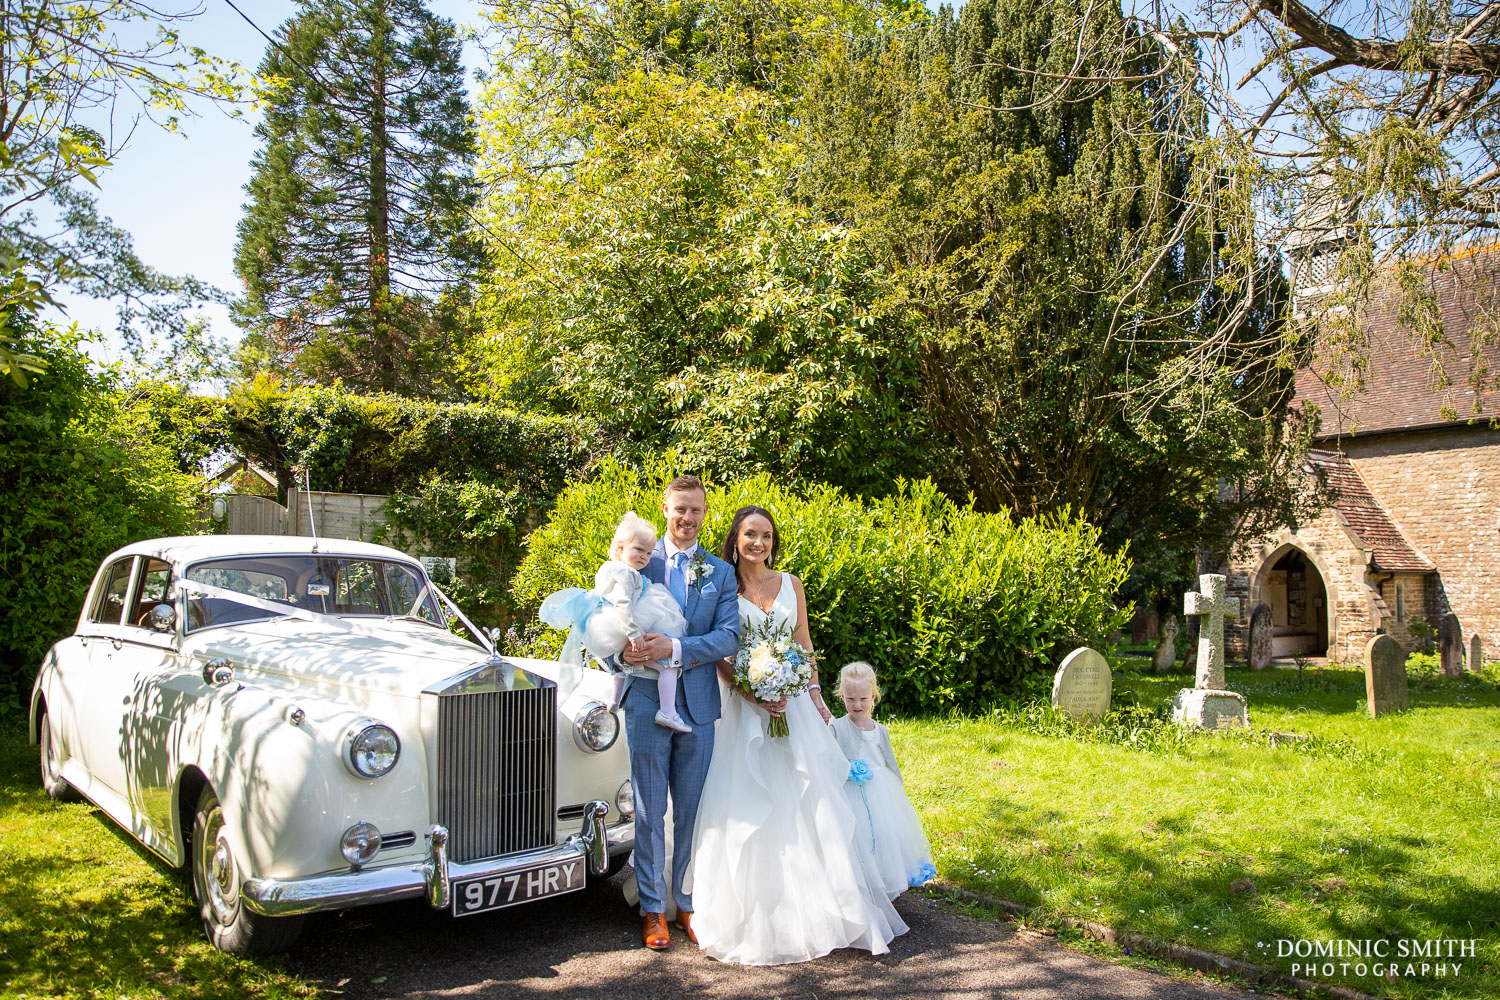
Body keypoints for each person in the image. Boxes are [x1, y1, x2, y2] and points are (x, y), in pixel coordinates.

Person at [687, 505, 908, 965]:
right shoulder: (724, 586)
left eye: (766, 536)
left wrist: (815, 697)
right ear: (736, 538)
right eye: (751, 535)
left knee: (814, 799)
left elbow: (803, 642)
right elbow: (720, 651)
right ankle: (766, 914)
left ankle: (834, 909)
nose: (759, 544)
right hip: (748, 714)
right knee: (755, 802)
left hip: (795, 710)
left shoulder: (792, 584)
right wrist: (748, 691)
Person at [617, 475, 740, 950]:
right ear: (665, 509)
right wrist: (619, 656)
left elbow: (728, 636)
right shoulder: (638, 559)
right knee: (649, 811)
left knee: (692, 810)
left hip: (700, 705)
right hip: (646, 701)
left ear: (705, 514)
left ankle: (686, 902)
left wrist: (676, 647)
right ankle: (653, 909)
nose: (687, 518)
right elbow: (609, 621)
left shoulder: (720, 573)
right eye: (679, 509)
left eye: (696, 511)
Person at [538, 512, 692, 731]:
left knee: (619, 668)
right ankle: (667, 712)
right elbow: (622, 603)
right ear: (620, 548)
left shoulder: (608, 568)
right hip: (624, 624)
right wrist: (633, 633)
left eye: (648, 552)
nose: (644, 557)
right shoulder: (626, 574)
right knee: (667, 665)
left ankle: (614, 701)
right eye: (639, 550)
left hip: (606, 625)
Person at [830, 661, 937, 898]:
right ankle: (860, 884)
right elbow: (831, 759)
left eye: (863, 699)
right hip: (849, 791)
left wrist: (897, 792)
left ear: (873, 696)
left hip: (880, 792)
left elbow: (889, 762)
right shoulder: (836, 728)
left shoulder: (880, 730)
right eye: (850, 699)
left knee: (883, 835)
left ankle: (884, 881)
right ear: (842, 696)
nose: (857, 705)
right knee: (856, 837)